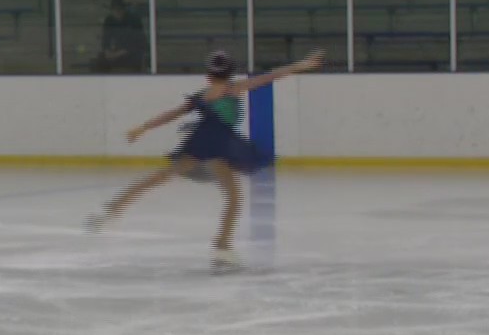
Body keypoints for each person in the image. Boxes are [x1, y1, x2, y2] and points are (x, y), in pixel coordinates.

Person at [87, 49, 325, 271]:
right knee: (233, 196)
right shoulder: (234, 89)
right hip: (220, 145)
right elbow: (271, 76)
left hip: (201, 141)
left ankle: (110, 209)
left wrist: (143, 128)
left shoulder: (204, 94)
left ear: (208, 75)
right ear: (230, 72)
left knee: (160, 177)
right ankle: (222, 247)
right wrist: (301, 65)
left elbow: (172, 113)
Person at [91, 0, 147, 73]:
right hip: (117, 53)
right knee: (99, 60)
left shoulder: (134, 20)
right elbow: (105, 39)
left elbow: (139, 43)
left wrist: (118, 53)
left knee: (138, 59)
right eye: (114, 10)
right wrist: (107, 52)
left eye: (119, 9)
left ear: (123, 9)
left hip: (132, 54)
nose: (117, 12)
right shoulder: (109, 20)